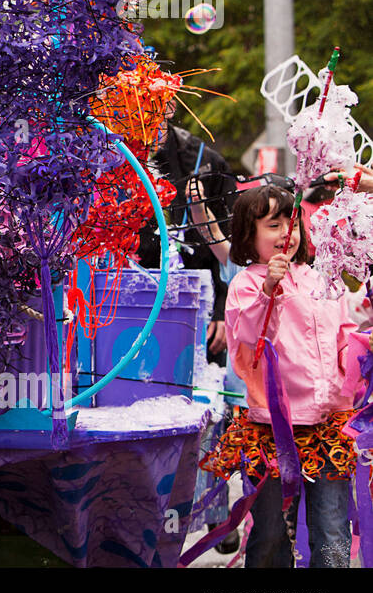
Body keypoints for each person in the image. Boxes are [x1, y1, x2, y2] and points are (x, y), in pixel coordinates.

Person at [200, 177, 373, 567]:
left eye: (291, 223)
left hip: (329, 426)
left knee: (332, 530)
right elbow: (246, 335)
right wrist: (268, 293)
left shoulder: (319, 278)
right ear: (248, 233)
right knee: (272, 533)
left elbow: (344, 336)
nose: (286, 234)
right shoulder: (247, 285)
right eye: (273, 225)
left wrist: (362, 360)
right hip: (273, 432)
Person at [137, 112, 237, 365]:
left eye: (152, 110)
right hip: (134, 301)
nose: (143, 120)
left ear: (168, 107)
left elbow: (231, 243)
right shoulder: (113, 160)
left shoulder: (206, 163)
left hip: (200, 304)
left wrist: (224, 309)